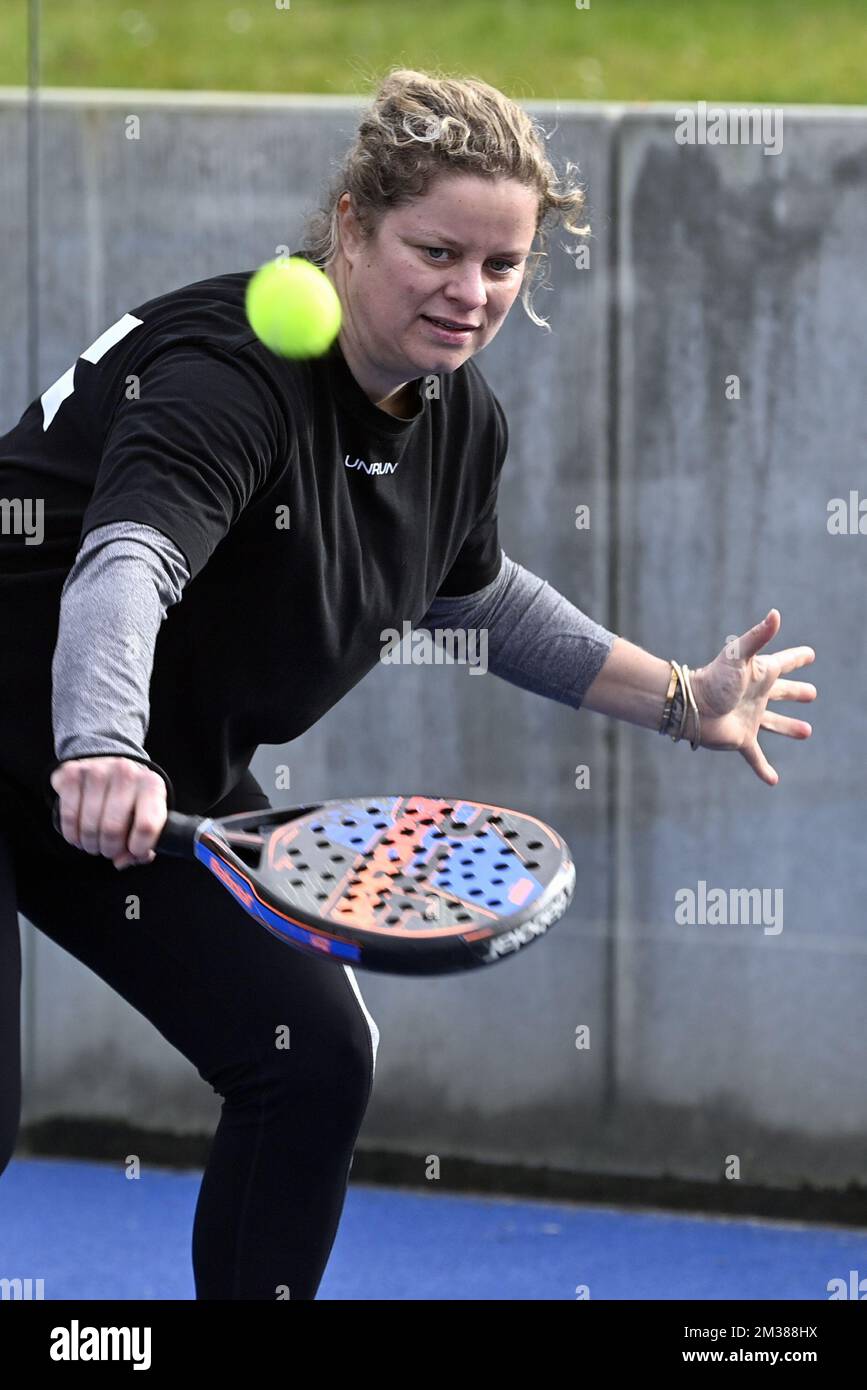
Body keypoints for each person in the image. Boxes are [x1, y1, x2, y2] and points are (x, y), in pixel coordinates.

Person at [0, 67, 816, 1301]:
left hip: (140, 790)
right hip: (82, 750)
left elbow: (474, 595)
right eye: (437, 251)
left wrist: (682, 700)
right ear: (349, 225)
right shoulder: (233, 373)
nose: (471, 293)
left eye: (503, 266)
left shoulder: (455, 421)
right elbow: (128, 562)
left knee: (312, 1059)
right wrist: (102, 741)